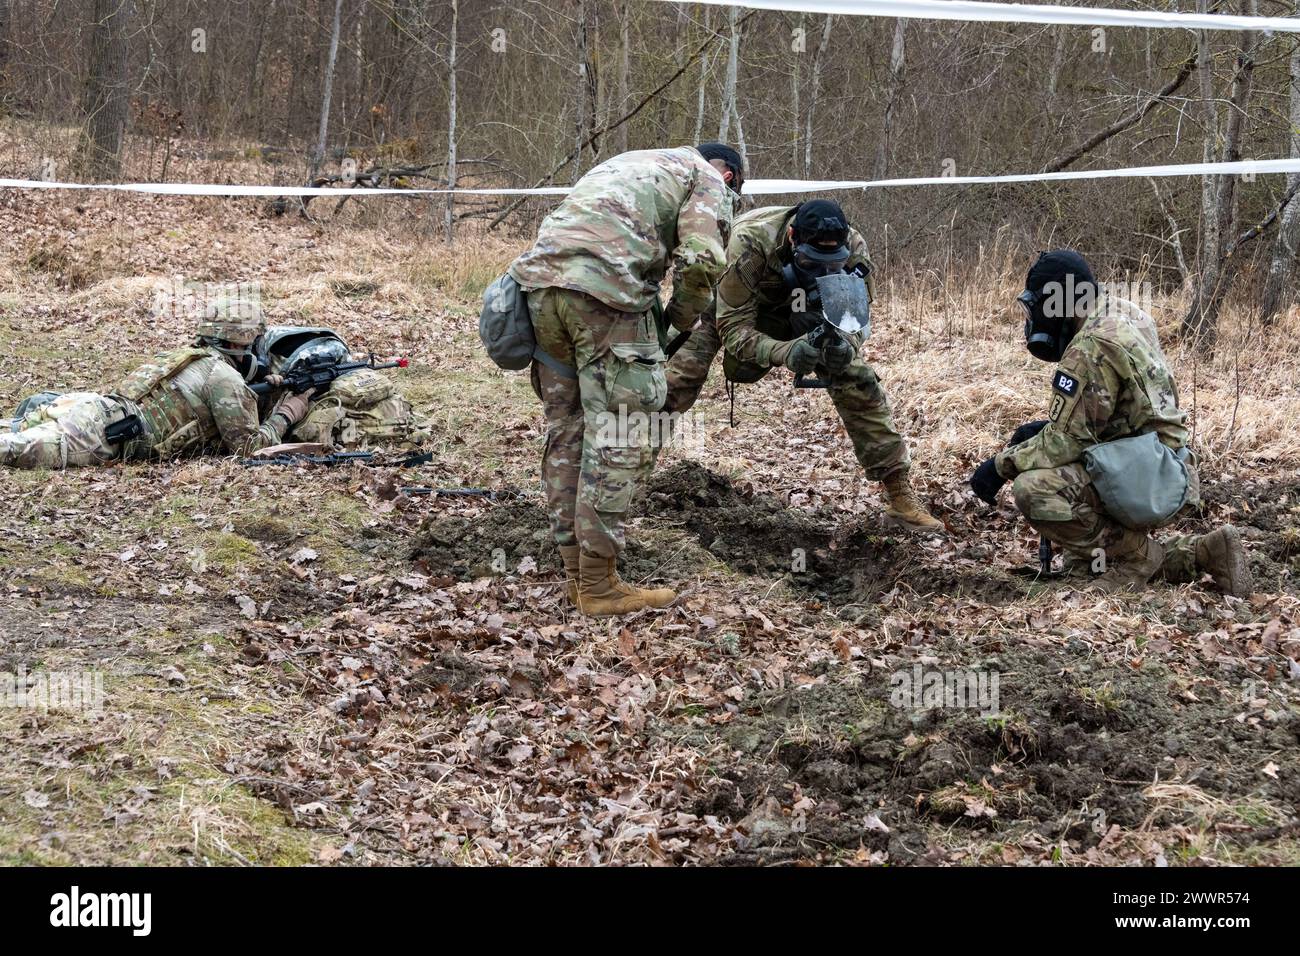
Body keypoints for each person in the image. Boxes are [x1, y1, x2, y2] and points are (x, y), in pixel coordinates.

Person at [508, 143, 739, 616]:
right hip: (605, 296)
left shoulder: (632, 161)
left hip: (537, 288)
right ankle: (597, 586)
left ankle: (577, 574)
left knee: (568, 428)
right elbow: (702, 260)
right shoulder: (709, 181)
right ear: (730, 176)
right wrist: (679, 319)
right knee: (619, 434)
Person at [968, 250, 1251, 596]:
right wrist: (1044, 430)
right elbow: (1108, 414)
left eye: (1039, 306)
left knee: (1034, 489)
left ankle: (1138, 558)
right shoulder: (1121, 315)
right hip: (1163, 463)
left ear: (1063, 302)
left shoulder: (1091, 345)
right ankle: (1207, 551)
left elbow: (1065, 443)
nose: (1036, 318)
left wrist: (998, 467)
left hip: (1152, 476)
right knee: (1088, 560)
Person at [662, 199, 944, 532]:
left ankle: (900, 498)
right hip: (727, 308)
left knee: (858, 380)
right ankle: (630, 471)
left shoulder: (853, 248)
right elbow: (734, 327)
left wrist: (844, 345)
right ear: (793, 237)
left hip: (806, 307)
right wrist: (784, 352)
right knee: (678, 376)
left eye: (831, 263)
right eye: (812, 261)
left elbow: (853, 321)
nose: (822, 269)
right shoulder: (750, 243)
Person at [0, 298, 314, 468]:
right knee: (10, 450)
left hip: (88, 407)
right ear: (236, 345)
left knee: (11, 431)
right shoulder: (225, 378)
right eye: (255, 343)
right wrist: (288, 413)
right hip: (101, 433)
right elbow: (249, 449)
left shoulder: (187, 356)